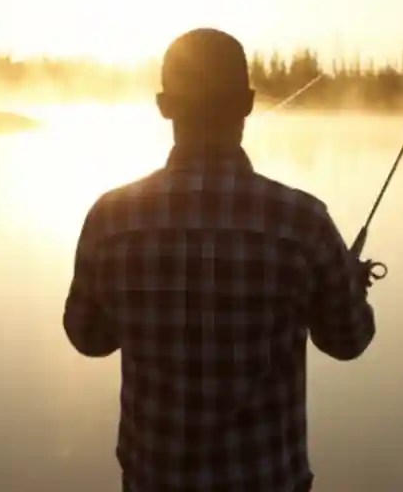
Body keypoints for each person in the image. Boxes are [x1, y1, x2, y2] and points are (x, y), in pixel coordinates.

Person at [63, 28, 377, 492]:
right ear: (247, 102)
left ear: (164, 105)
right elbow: (348, 340)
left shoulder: (111, 218)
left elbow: (88, 338)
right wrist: (346, 282)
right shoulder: (302, 222)